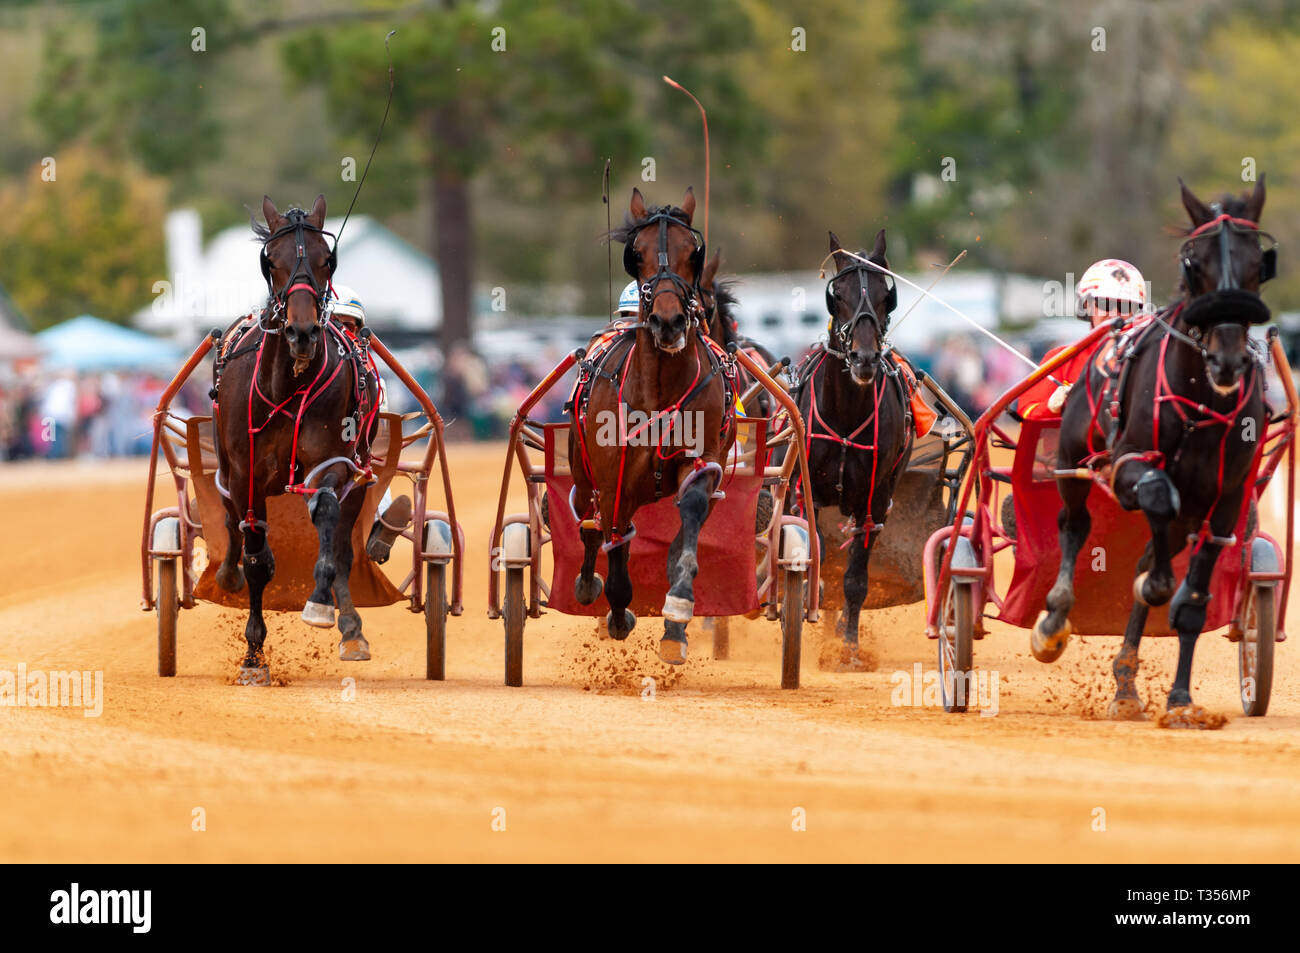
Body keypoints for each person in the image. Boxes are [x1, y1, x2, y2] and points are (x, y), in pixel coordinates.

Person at [325, 284, 414, 563]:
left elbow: (376, 440)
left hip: (355, 467)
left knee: (370, 470)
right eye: (332, 327)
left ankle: (378, 529)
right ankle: (379, 525)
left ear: (361, 333)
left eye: (347, 327)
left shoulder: (373, 383)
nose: (340, 336)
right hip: (305, 472)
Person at [1019, 259, 1147, 418]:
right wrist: (1052, 406)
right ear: (1087, 305)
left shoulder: (1149, 359)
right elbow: (1026, 413)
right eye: (1105, 304)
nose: (1114, 314)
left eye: (1125, 306)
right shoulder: (1060, 359)